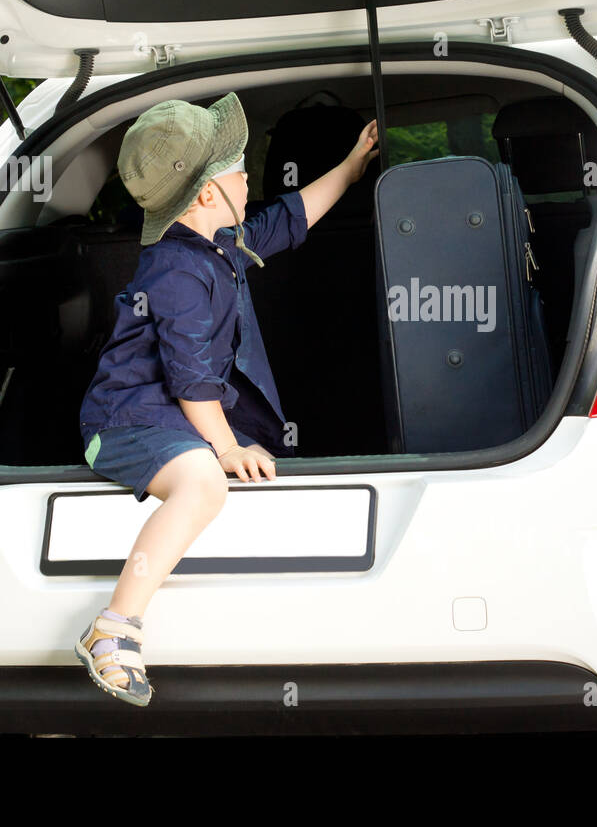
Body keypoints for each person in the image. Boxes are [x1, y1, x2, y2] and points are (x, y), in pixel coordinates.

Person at [72, 92, 378, 706]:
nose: (249, 175)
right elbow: (190, 379)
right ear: (209, 194)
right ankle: (113, 631)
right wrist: (227, 447)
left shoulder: (221, 243)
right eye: (238, 167)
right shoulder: (178, 272)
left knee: (213, 467)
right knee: (206, 483)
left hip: (166, 414)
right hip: (126, 422)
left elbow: (290, 216)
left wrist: (351, 166)